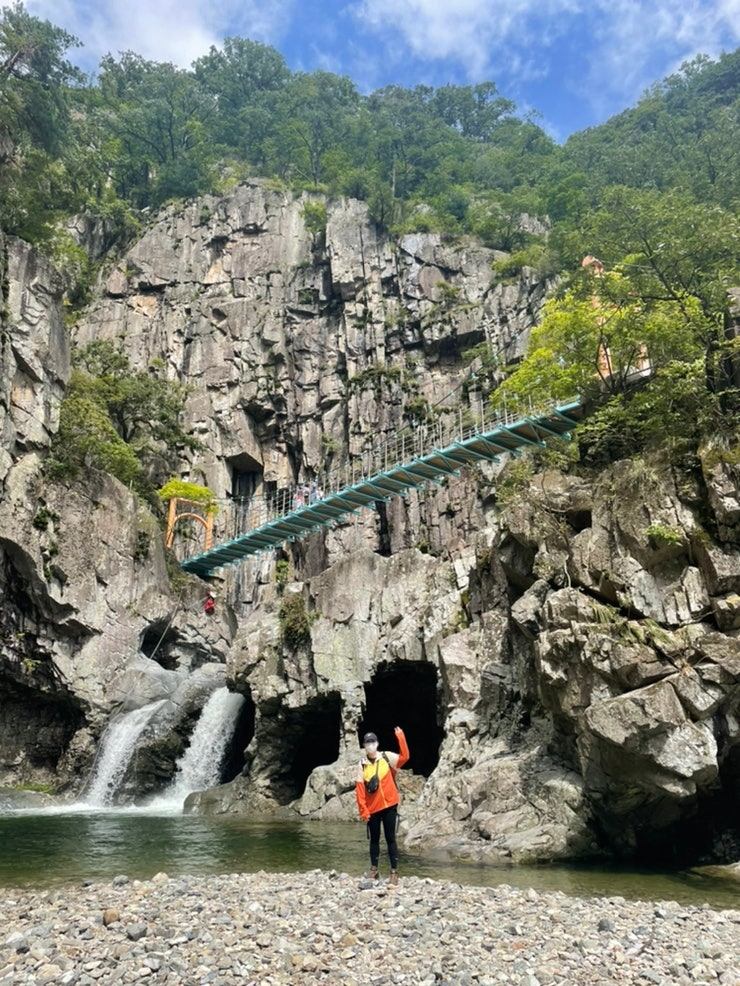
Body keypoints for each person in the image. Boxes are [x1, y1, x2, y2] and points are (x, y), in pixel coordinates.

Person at [355, 726, 409, 886]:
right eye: (367, 743)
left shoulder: (386, 757)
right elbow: (359, 789)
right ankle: (374, 869)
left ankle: (394, 872)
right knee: (374, 840)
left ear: (377, 743)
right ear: (364, 745)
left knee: (391, 838)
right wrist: (363, 810)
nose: (370, 745)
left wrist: (401, 737)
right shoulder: (362, 764)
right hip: (373, 808)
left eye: (372, 742)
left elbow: (404, 757)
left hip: (389, 804)